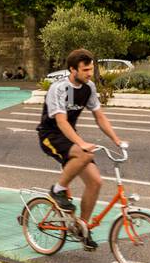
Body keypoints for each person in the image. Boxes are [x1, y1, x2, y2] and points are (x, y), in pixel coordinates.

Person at [37, 48, 123, 251]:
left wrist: (116, 140)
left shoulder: (89, 87)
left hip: (69, 136)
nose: (89, 73)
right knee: (84, 153)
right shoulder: (58, 88)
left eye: (91, 69)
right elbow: (61, 120)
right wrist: (81, 143)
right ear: (72, 70)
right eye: (85, 70)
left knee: (96, 181)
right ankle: (57, 190)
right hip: (51, 135)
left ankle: (82, 228)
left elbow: (99, 116)